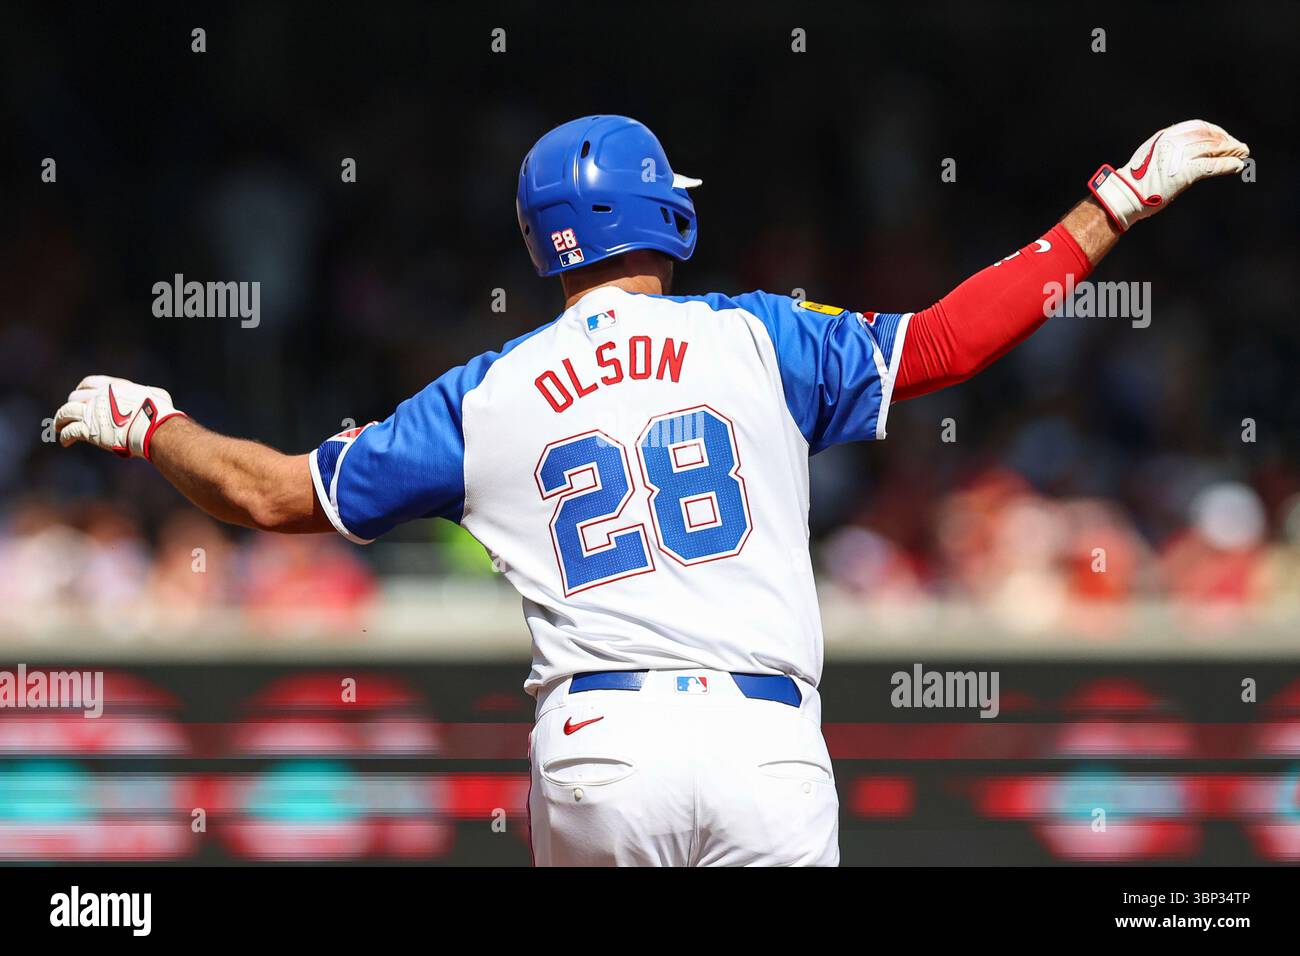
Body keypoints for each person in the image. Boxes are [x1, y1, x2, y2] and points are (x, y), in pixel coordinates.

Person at [55, 115, 1248, 865]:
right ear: (656, 212)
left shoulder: (486, 392)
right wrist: (1114, 205)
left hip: (597, 744)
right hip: (761, 740)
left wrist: (148, 422)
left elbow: (266, 496)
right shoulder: (755, 336)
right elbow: (945, 343)